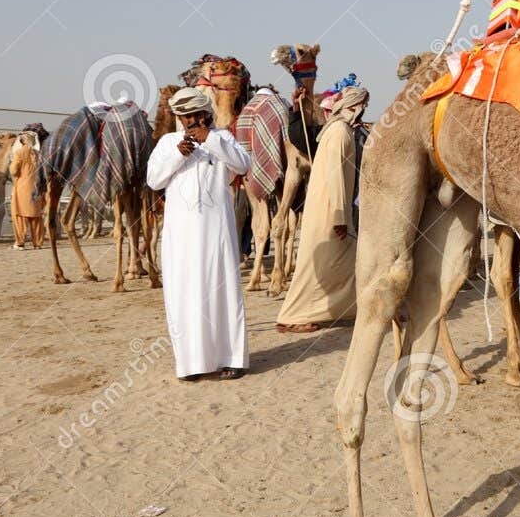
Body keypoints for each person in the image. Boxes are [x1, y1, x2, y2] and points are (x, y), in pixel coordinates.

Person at [146, 87, 252, 381]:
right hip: (181, 235)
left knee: (223, 290)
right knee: (185, 293)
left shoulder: (223, 138)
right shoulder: (168, 142)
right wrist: (177, 156)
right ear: (178, 117)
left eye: (195, 115)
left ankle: (232, 358)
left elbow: (243, 164)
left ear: (205, 114)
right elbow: (153, 179)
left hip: (216, 232)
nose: (190, 121)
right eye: (185, 116)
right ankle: (192, 363)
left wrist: (212, 140)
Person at [276, 85, 369, 333]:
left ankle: (362, 309)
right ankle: (292, 316)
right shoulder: (339, 132)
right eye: (362, 105)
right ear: (354, 106)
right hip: (330, 209)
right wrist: (340, 216)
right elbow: (336, 175)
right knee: (315, 266)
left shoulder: (339, 129)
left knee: (346, 262)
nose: (363, 110)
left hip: (330, 207)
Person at [9, 132, 45, 249]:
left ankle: (20, 243)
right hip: (37, 189)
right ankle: (37, 243)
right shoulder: (39, 154)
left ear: (22, 141)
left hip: (22, 188)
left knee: (20, 215)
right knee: (36, 216)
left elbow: (14, 171)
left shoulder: (19, 153)